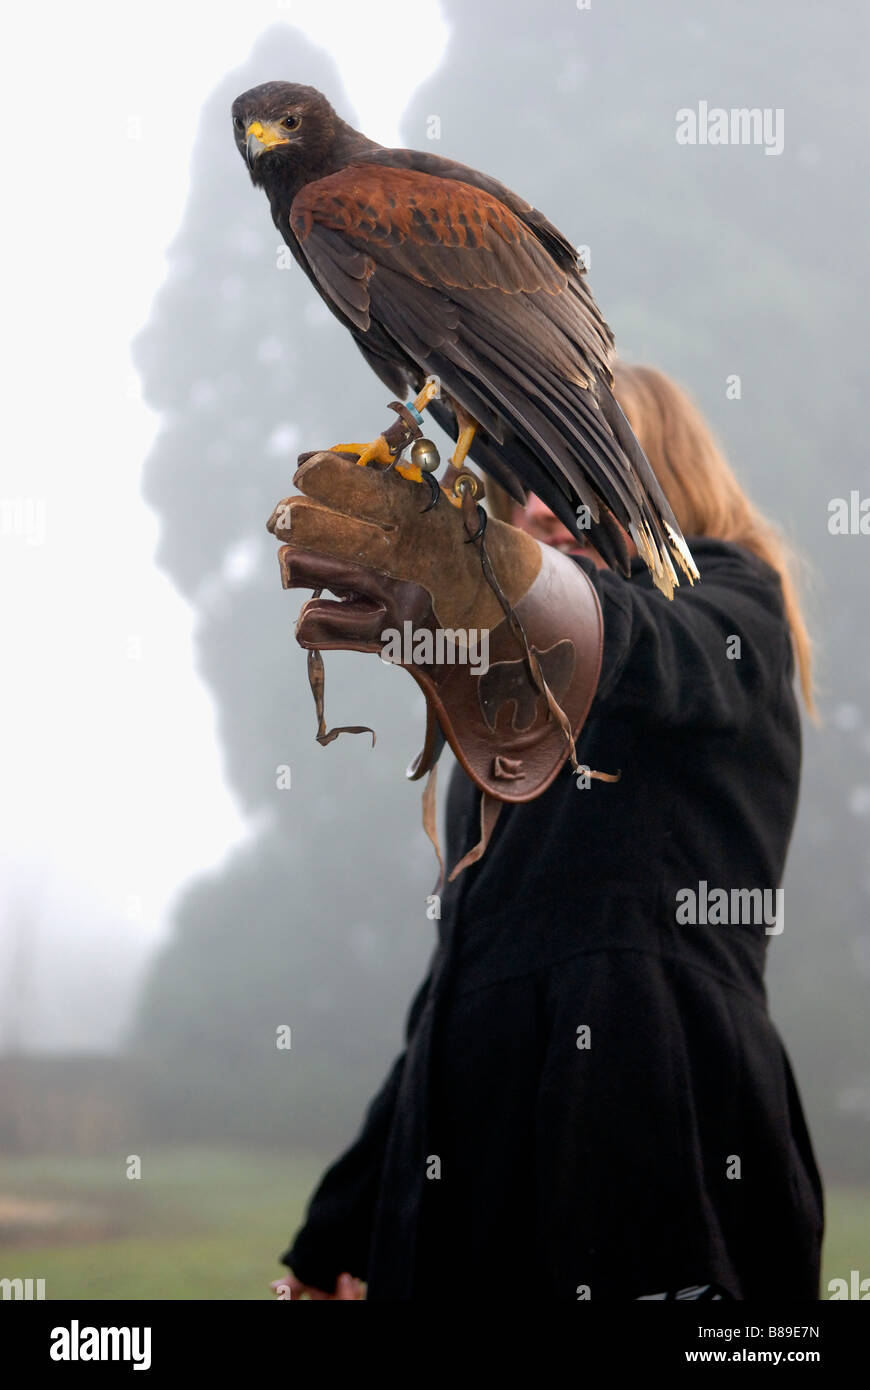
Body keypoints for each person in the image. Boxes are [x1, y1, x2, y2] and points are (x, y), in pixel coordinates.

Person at [267, 362, 823, 1301]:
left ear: (659, 482)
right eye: (522, 489)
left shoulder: (734, 609)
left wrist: (521, 588)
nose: (535, 511)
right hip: (469, 1186)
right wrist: (333, 1235)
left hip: (654, 1149)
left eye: (574, 482)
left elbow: (652, 646)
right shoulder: (499, 713)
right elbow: (452, 996)